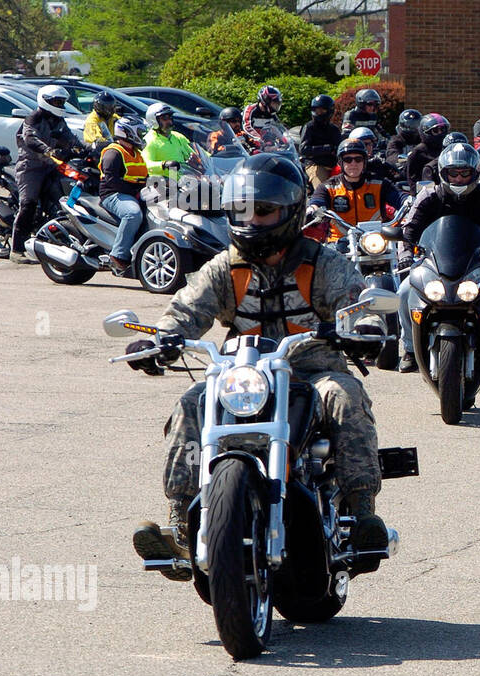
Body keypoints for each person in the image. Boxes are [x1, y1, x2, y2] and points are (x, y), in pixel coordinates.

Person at [127, 152, 390, 580]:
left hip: (312, 367)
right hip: (243, 373)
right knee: (189, 404)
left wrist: (363, 327)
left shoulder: (323, 262)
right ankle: (179, 525)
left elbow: (356, 302)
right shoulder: (224, 266)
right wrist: (159, 339)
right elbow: (185, 310)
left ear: (290, 211)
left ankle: (362, 517)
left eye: (264, 210)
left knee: (345, 396)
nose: (252, 219)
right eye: (242, 209)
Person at [396, 143, 480, 376]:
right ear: (443, 173)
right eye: (453, 173)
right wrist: (405, 256)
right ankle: (410, 349)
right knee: (403, 292)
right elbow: (408, 229)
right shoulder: (429, 195)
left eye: (465, 173)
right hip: (433, 265)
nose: (459, 178)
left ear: (475, 173)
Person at [9, 84, 86, 264]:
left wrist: (86, 149)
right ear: (46, 101)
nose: (59, 105)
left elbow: (70, 139)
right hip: (31, 166)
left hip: (51, 166)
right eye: (56, 102)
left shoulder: (58, 121)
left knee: (64, 199)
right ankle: (17, 249)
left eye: (61, 102)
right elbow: (30, 138)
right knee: (28, 203)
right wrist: (48, 150)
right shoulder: (33, 118)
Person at [304, 138, 406, 243]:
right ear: (340, 162)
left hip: (375, 242)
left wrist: (409, 201)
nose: (353, 163)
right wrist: (312, 209)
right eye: (348, 159)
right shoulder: (328, 187)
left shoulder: (379, 184)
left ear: (364, 161)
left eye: (358, 159)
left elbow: (399, 197)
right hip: (338, 244)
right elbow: (317, 201)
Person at [99, 116, 150, 277]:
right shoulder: (113, 152)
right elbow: (111, 180)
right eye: (140, 132)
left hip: (133, 192)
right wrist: (134, 192)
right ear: (128, 133)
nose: (142, 136)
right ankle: (117, 255)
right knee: (132, 213)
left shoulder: (136, 153)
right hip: (113, 194)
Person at [299, 95, 341, 190]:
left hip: (334, 164)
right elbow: (303, 149)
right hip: (315, 164)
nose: (319, 113)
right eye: (317, 110)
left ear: (329, 111)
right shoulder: (309, 127)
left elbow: (340, 147)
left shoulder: (334, 129)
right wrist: (327, 148)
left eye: (322, 110)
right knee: (323, 190)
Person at [141, 102, 193, 179]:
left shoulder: (177, 136)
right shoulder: (149, 141)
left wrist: (213, 156)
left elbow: (194, 154)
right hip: (164, 185)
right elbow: (145, 165)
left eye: (170, 117)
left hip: (185, 182)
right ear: (153, 121)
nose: (169, 122)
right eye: (164, 118)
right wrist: (164, 164)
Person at [406, 113, 450, 187]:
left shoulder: (448, 148)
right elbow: (413, 181)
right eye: (435, 130)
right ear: (426, 133)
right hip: (429, 193)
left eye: (442, 129)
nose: (440, 133)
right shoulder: (418, 152)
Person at [241, 85, 284, 152]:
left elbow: (279, 128)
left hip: (265, 144)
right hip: (249, 144)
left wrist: (285, 140)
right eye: (274, 103)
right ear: (266, 101)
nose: (276, 106)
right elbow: (247, 127)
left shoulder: (271, 114)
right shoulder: (250, 110)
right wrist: (259, 139)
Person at [386, 109, 423, 177]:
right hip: (403, 173)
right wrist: (408, 159)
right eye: (410, 125)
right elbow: (392, 157)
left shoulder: (423, 139)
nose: (414, 128)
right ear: (403, 125)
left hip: (422, 172)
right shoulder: (396, 140)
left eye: (416, 124)